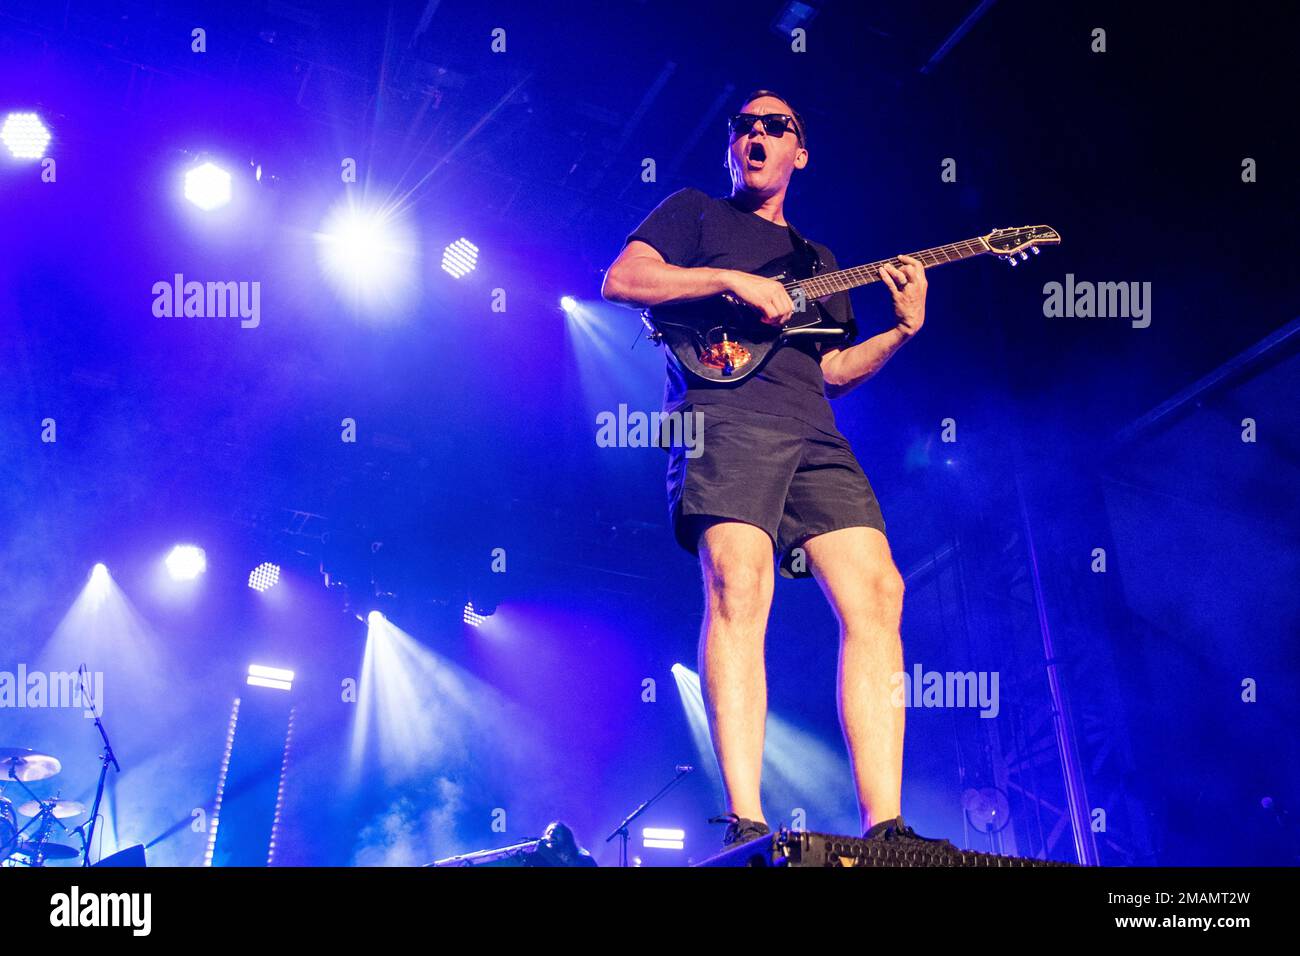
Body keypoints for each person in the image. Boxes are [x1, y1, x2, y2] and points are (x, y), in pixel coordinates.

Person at [602, 90, 953, 851]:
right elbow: (623, 281)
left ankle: (885, 826)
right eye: (744, 127)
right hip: (727, 417)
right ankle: (746, 820)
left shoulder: (820, 263)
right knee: (742, 582)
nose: (756, 135)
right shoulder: (696, 213)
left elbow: (831, 370)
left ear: (801, 152)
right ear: (732, 147)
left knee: (880, 590)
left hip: (814, 432)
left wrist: (902, 329)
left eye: (776, 127)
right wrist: (730, 281)